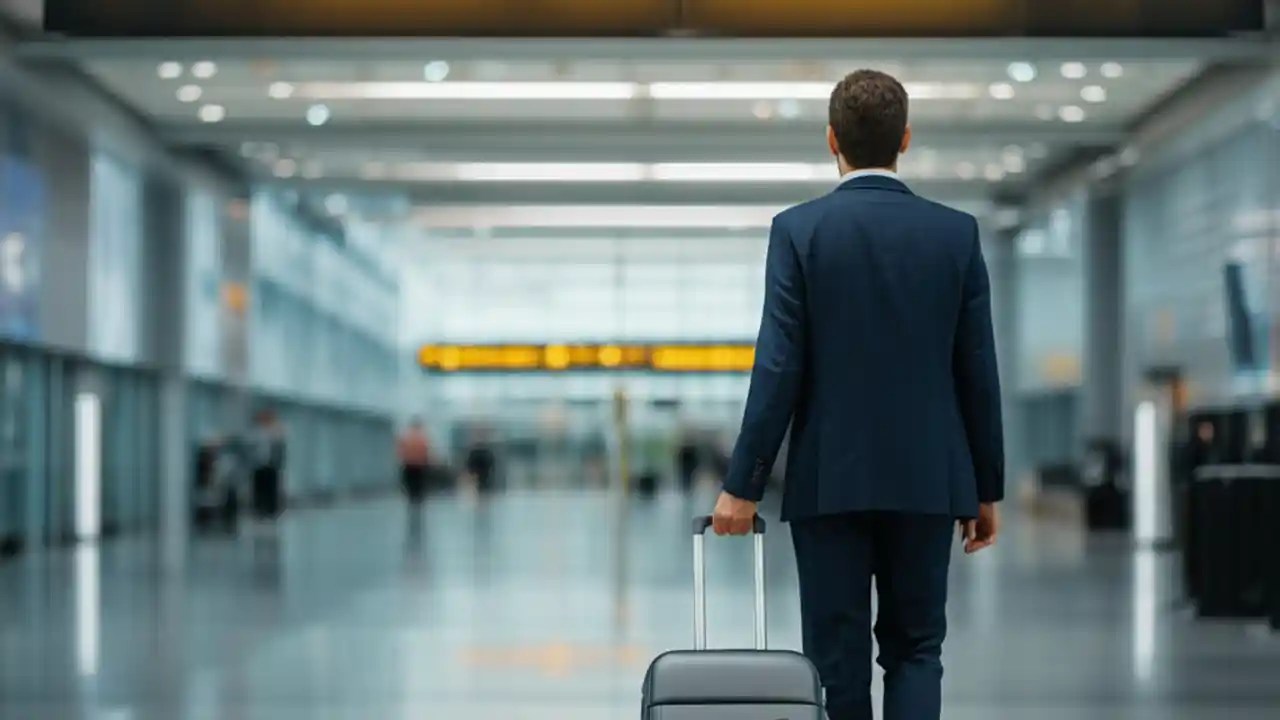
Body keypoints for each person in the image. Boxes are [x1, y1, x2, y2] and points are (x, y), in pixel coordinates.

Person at [711, 70, 1004, 720]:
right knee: (917, 651)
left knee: (834, 659)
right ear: (905, 139)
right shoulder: (955, 234)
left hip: (828, 483)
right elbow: (976, 370)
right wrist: (985, 488)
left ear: (830, 140)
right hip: (928, 483)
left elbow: (778, 366)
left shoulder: (800, 230)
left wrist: (744, 483)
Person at [250, 409, 287, 519]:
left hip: (271, 464)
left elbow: (280, 448)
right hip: (258, 464)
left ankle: (271, 510)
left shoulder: (276, 431)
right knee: (259, 488)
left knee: (271, 488)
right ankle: (259, 510)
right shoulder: (257, 432)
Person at [398, 417, 432, 505]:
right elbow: (426, 452)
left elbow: (401, 451)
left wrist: (403, 460)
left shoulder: (406, 437)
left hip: (409, 464)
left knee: (410, 483)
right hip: (420, 465)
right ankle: (418, 497)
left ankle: (411, 496)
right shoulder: (423, 438)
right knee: (419, 484)